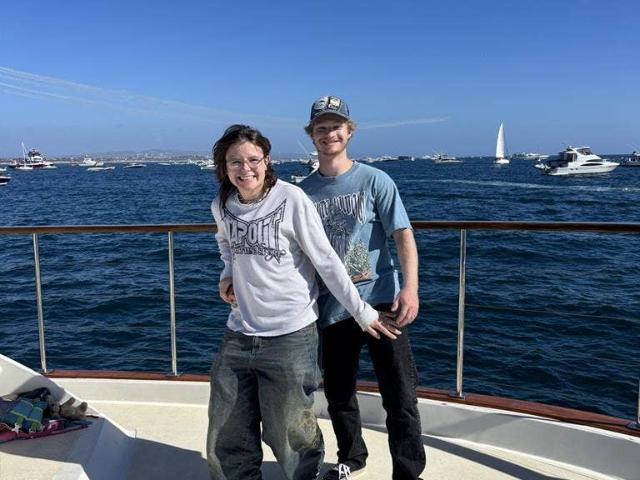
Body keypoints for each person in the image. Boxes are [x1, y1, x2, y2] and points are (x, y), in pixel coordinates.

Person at [206, 124, 400, 480]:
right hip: (239, 332)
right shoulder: (222, 205)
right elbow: (226, 245)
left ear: (267, 161)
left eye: (253, 159)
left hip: (291, 335)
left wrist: (362, 312)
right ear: (224, 166)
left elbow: (326, 260)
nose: (245, 168)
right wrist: (227, 274)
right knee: (226, 430)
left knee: (291, 432)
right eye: (235, 162)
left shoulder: (291, 198)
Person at [300, 96, 426, 480]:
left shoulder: (375, 180)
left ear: (349, 131)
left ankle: (408, 472)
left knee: (400, 393)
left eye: (336, 126)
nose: (329, 134)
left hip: (382, 300)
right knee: (339, 393)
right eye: (321, 128)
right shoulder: (302, 193)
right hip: (333, 306)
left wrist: (410, 288)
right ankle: (351, 458)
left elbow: (402, 234)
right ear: (311, 135)